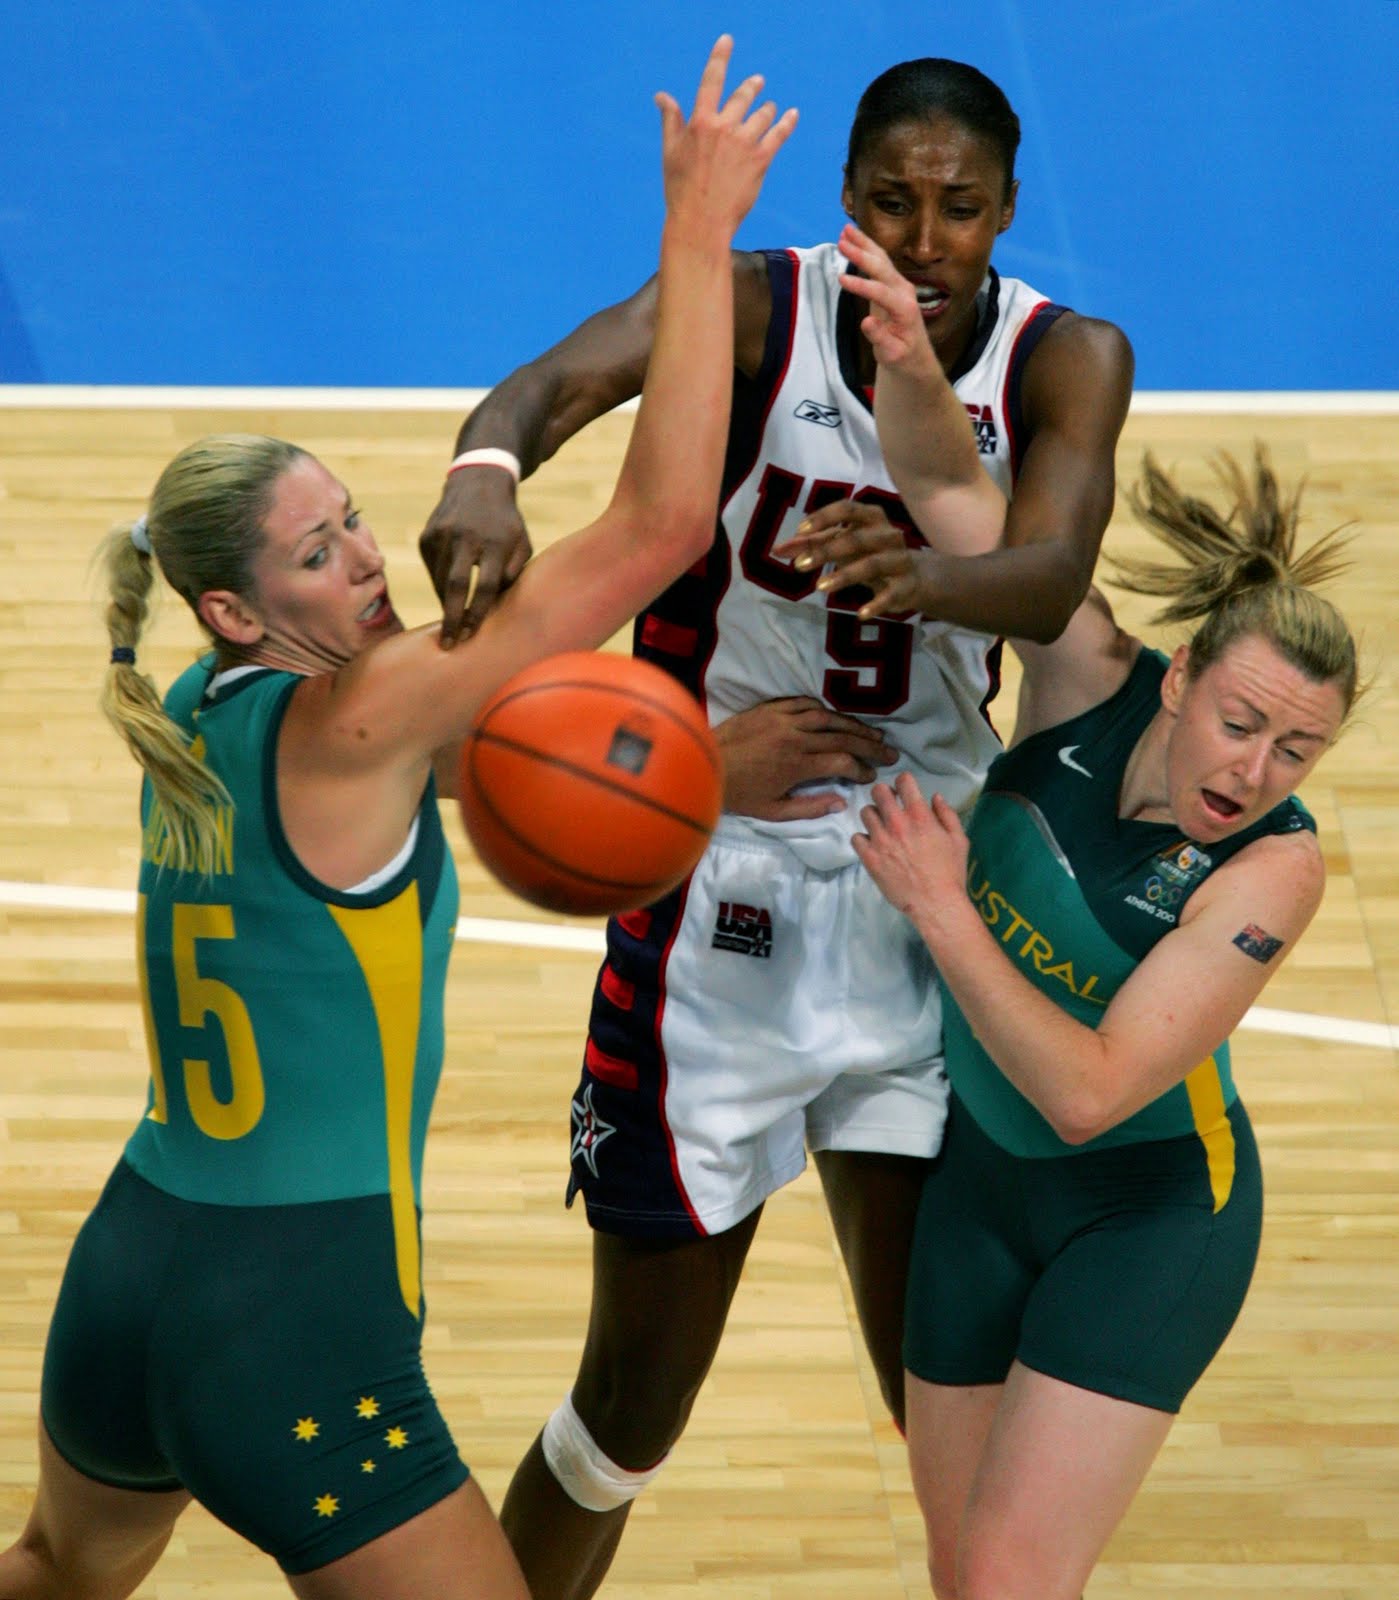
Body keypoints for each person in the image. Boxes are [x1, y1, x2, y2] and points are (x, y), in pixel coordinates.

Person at [0, 38, 795, 1600]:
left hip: (132, 1271)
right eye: (319, 555)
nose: (367, 561)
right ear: (239, 607)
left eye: (350, 518)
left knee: (56, 1573)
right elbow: (654, 528)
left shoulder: (205, 718)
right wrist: (694, 239)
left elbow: (486, 767)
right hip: (290, 1311)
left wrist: (697, 765)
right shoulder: (356, 715)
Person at [417, 54, 1133, 1600]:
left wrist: (922, 569)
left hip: (923, 896)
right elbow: (546, 386)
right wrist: (485, 469)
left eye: (957, 207)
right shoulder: (756, 303)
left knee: (942, 1404)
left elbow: (1053, 577)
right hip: (706, 883)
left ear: (1010, 209)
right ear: (844, 200)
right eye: (890, 200)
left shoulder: (1064, 357)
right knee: (628, 1414)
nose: (924, 235)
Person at [837, 442, 1358, 1600]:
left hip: (1149, 1216)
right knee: (958, 1568)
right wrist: (908, 357)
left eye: (1296, 750)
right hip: (978, 1185)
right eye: (1238, 722)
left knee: (1014, 1577)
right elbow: (954, 495)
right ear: (1177, 680)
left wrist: (939, 905)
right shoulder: (1088, 681)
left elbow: (1087, 1093)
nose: (1255, 768)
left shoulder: (1272, 870)